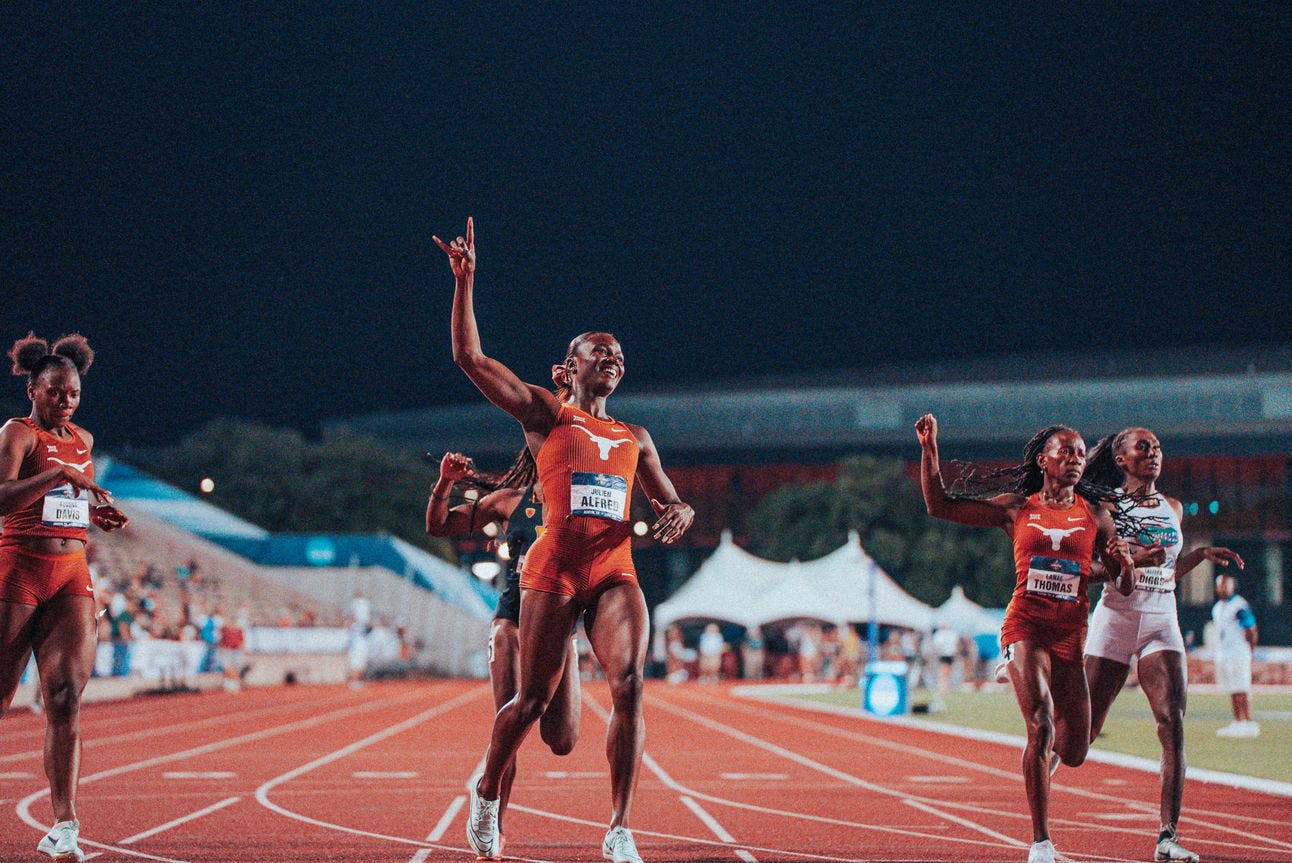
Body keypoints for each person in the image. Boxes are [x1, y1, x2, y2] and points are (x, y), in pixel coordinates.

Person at [435, 218, 694, 863]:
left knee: (630, 684)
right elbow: (471, 359)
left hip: (613, 569)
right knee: (531, 705)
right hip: (552, 568)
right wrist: (466, 283)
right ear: (568, 367)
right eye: (598, 351)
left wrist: (680, 512)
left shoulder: (637, 437)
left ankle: (618, 828)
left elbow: (672, 499)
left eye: (620, 355)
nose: (613, 358)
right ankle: (488, 790)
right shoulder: (546, 413)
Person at [915, 413, 1133, 863]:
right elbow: (940, 505)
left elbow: (1119, 582)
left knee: (1074, 752)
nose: (1075, 459)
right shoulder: (1017, 507)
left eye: (1079, 452)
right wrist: (929, 449)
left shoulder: (1096, 514)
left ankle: (1040, 736)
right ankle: (1041, 841)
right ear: (1043, 459)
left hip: (1071, 632)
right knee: (1041, 722)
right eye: (1065, 451)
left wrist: (1122, 564)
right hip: (1026, 624)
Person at [1084, 427, 1244, 862]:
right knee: (1081, 737)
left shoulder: (1173, 507)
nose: (1154, 453)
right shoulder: (1106, 506)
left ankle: (1167, 838)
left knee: (1172, 724)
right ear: (1121, 459)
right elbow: (1091, 571)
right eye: (1144, 447)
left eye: (1157, 447)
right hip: (1116, 617)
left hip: (1161, 620)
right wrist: (1132, 561)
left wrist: (1198, 557)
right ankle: (1042, 804)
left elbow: (1168, 572)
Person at [1, 332, 129, 863]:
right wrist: (56, 472)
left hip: (71, 572)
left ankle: (65, 825)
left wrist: (97, 515)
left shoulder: (85, 440)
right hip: (18, 569)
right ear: (32, 387)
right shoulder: (17, 432)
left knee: (65, 697)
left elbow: (71, 504)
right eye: (55, 392)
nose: (65, 402)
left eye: (73, 393)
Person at [425, 446, 580, 843]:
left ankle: (488, 795)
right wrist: (445, 482)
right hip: (512, 620)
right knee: (510, 726)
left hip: (559, 626)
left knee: (562, 740)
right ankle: (490, 816)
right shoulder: (513, 500)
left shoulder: (586, 502)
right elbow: (440, 526)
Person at [1212, 573, 1259, 738]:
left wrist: (1249, 650)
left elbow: (1250, 629)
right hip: (1224, 654)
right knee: (1232, 689)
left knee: (1241, 688)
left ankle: (1247, 721)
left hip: (1238, 652)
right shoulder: (1218, 607)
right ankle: (1238, 721)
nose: (1223, 588)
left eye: (1226, 584)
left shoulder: (1239, 605)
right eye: (1221, 585)